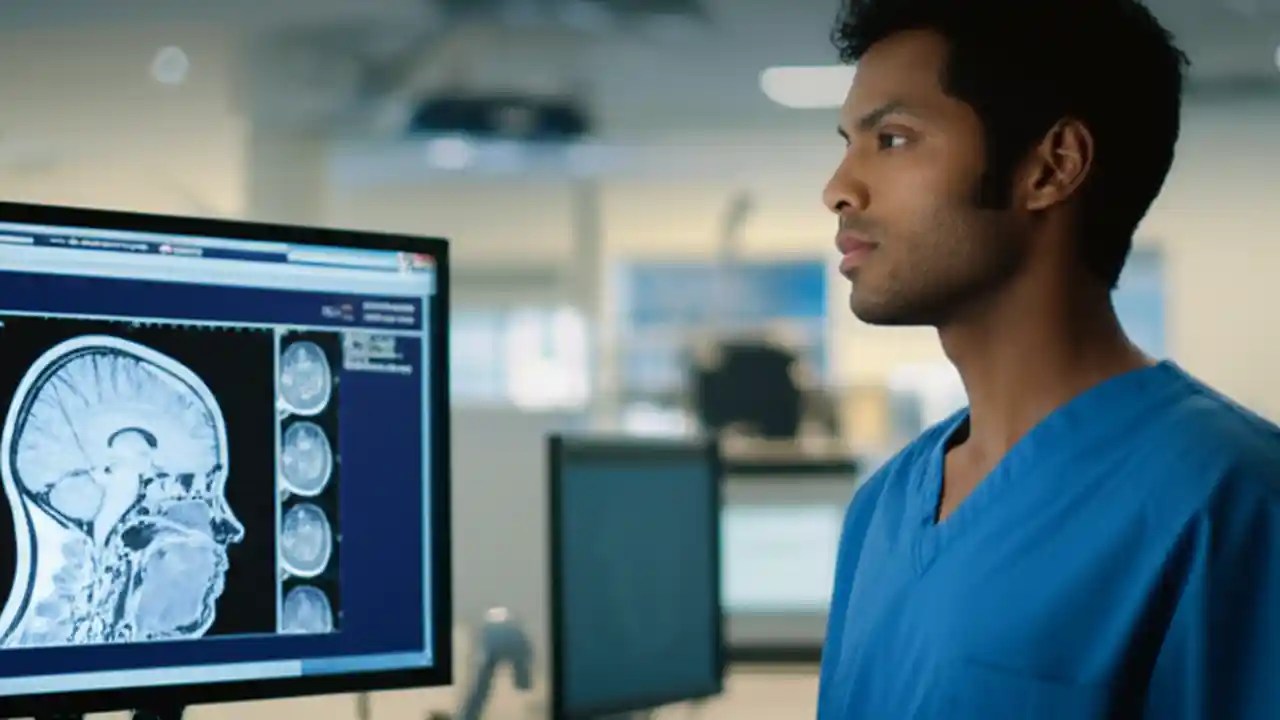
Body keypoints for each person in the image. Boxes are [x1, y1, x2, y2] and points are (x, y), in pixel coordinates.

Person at [817, 0, 1280, 717]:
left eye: (895, 140)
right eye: (848, 141)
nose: (838, 188)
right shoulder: (881, 509)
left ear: (1050, 167)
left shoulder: (1232, 499)